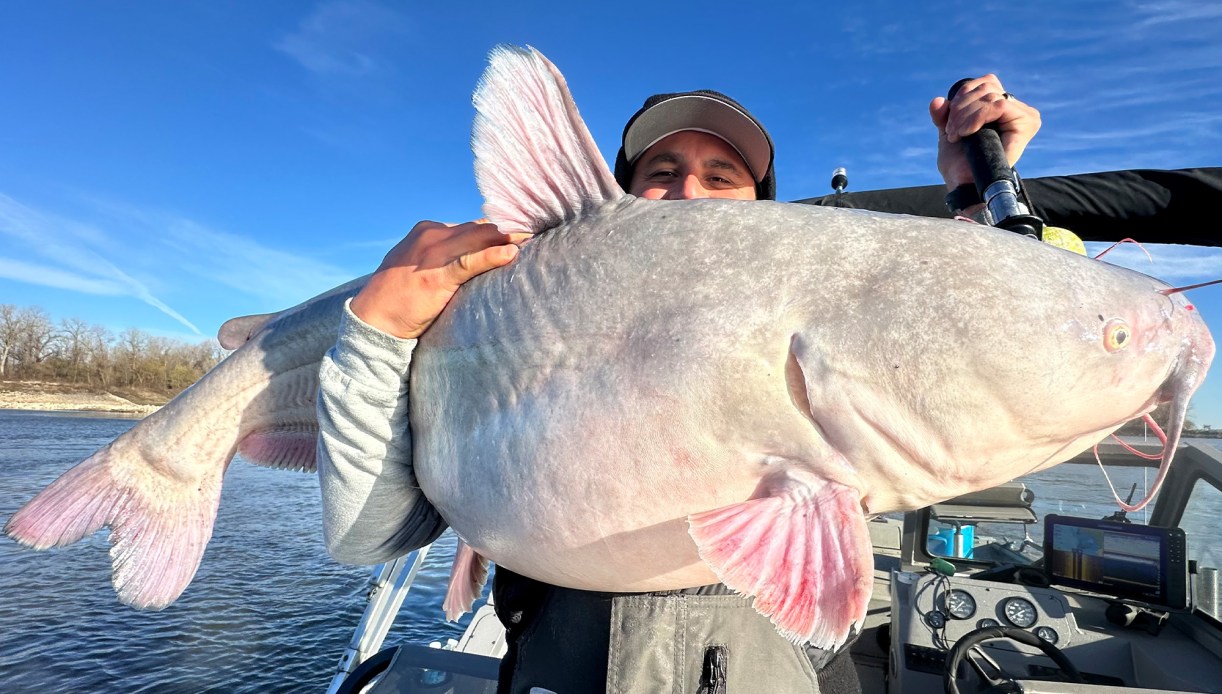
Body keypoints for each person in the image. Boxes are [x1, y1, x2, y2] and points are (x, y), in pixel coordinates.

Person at [316, 75, 1041, 693]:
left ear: (765, 216)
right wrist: (376, 333)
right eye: (660, 171)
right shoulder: (502, 319)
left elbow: (966, 353)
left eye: (723, 178)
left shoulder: (818, 348)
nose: (689, 190)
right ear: (621, 198)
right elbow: (368, 536)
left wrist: (979, 196)